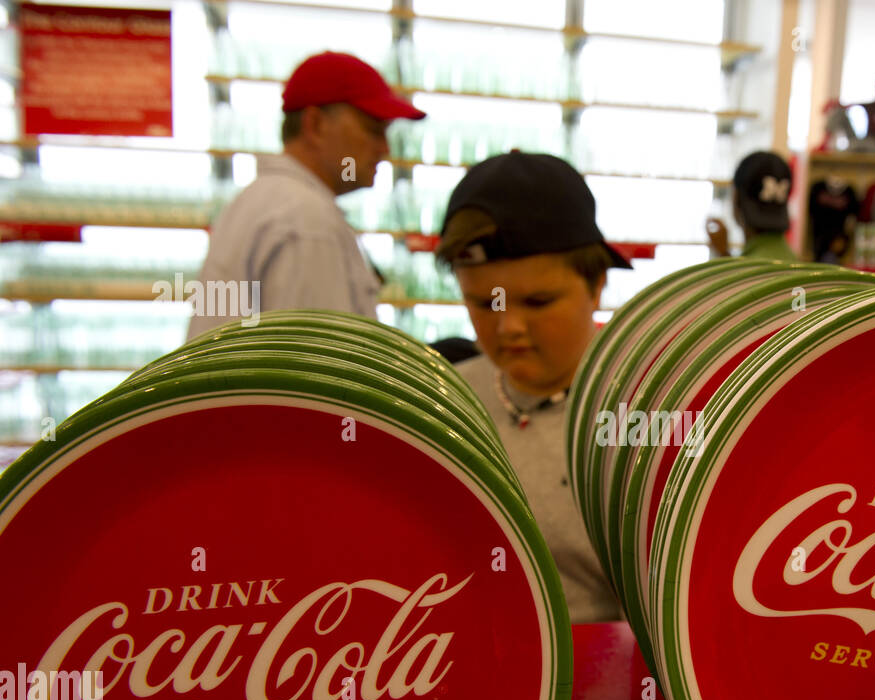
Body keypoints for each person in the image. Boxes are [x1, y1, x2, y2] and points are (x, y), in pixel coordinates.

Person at [435, 151, 632, 624]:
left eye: (538, 301)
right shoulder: (443, 403)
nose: (509, 328)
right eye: (483, 302)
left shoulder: (654, 409)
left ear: (597, 284)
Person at [189, 52, 425, 340]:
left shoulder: (263, 201)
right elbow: (316, 371)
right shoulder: (306, 222)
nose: (384, 148)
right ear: (315, 124)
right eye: (373, 130)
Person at [705, 151, 797, 261]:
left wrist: (723, 256)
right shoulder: (794, 260)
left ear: (736, 197)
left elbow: (745, 274)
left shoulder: (748, 270)